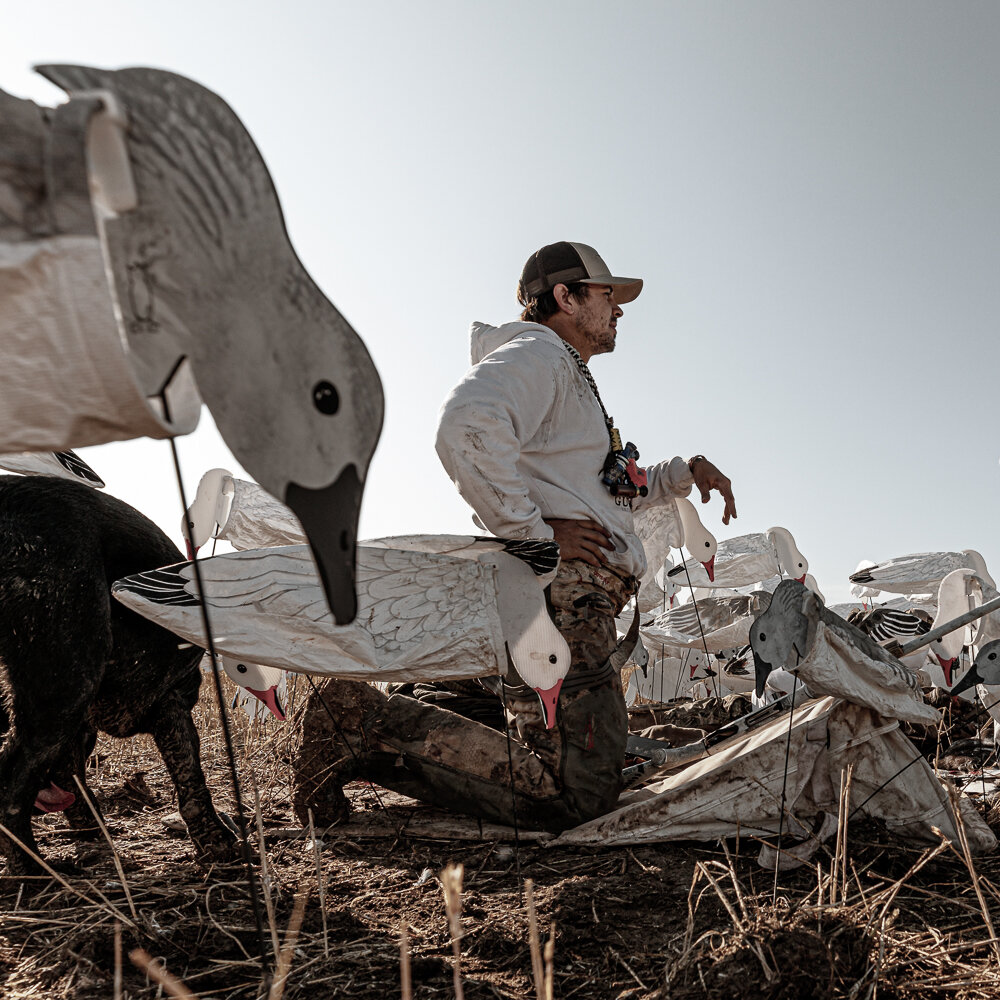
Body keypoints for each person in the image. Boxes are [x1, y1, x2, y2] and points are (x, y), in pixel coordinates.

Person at [290, 241, 735, 833]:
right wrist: (535, 535)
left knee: (575, 776)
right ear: (565, 297)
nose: (619, 310)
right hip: (560, 599)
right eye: (608, 295)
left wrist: (683, 474)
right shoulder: (540, 356)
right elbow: (465, 428)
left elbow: (606, 488)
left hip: (573, 601)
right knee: (579, 801)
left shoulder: (565, 373)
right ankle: (357, 721)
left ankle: (372, 733)